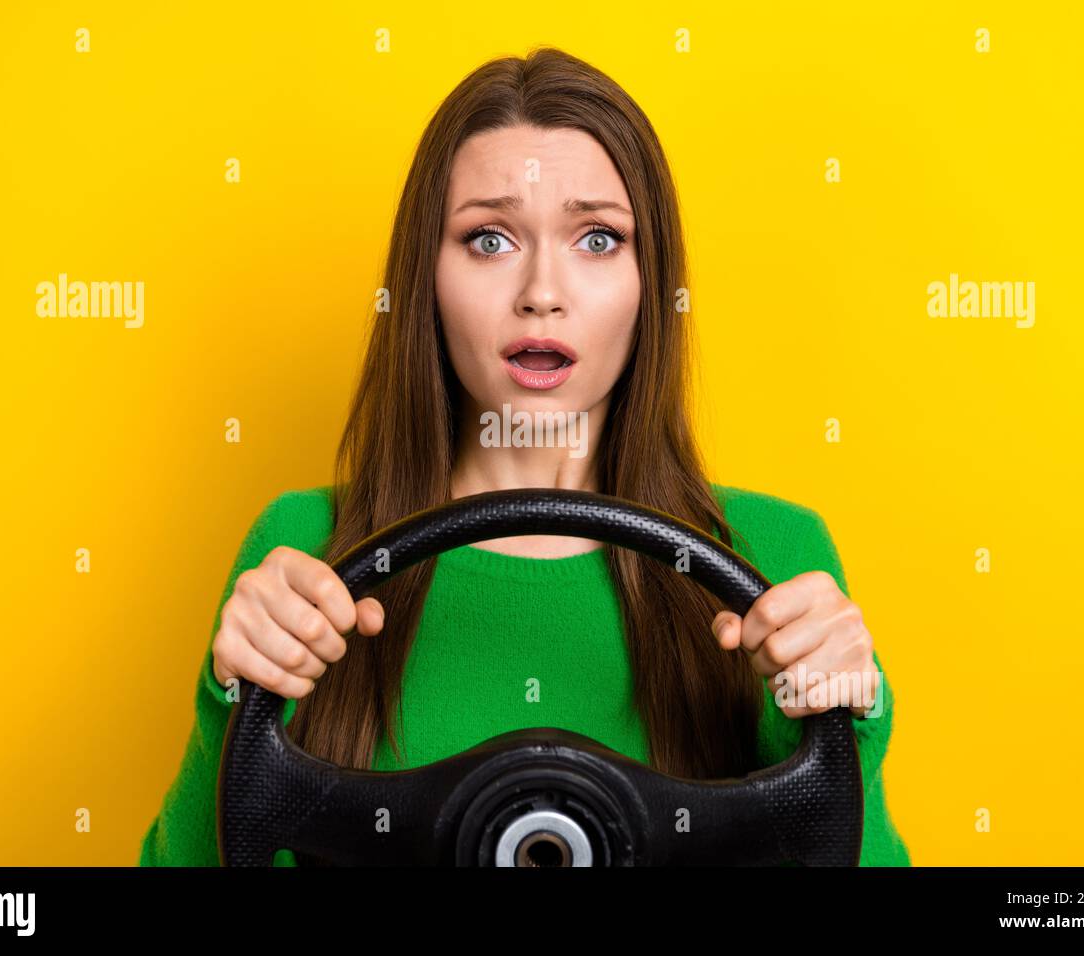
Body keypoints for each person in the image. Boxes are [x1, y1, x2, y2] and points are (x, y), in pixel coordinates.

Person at [140, 46, 911, 867]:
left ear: (653, 283)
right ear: (424, 277)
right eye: (490, 239)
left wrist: (843, 715)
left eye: (599, 239)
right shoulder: (307, 554)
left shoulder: (774, 560)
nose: (542, 290)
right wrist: (237, 697)